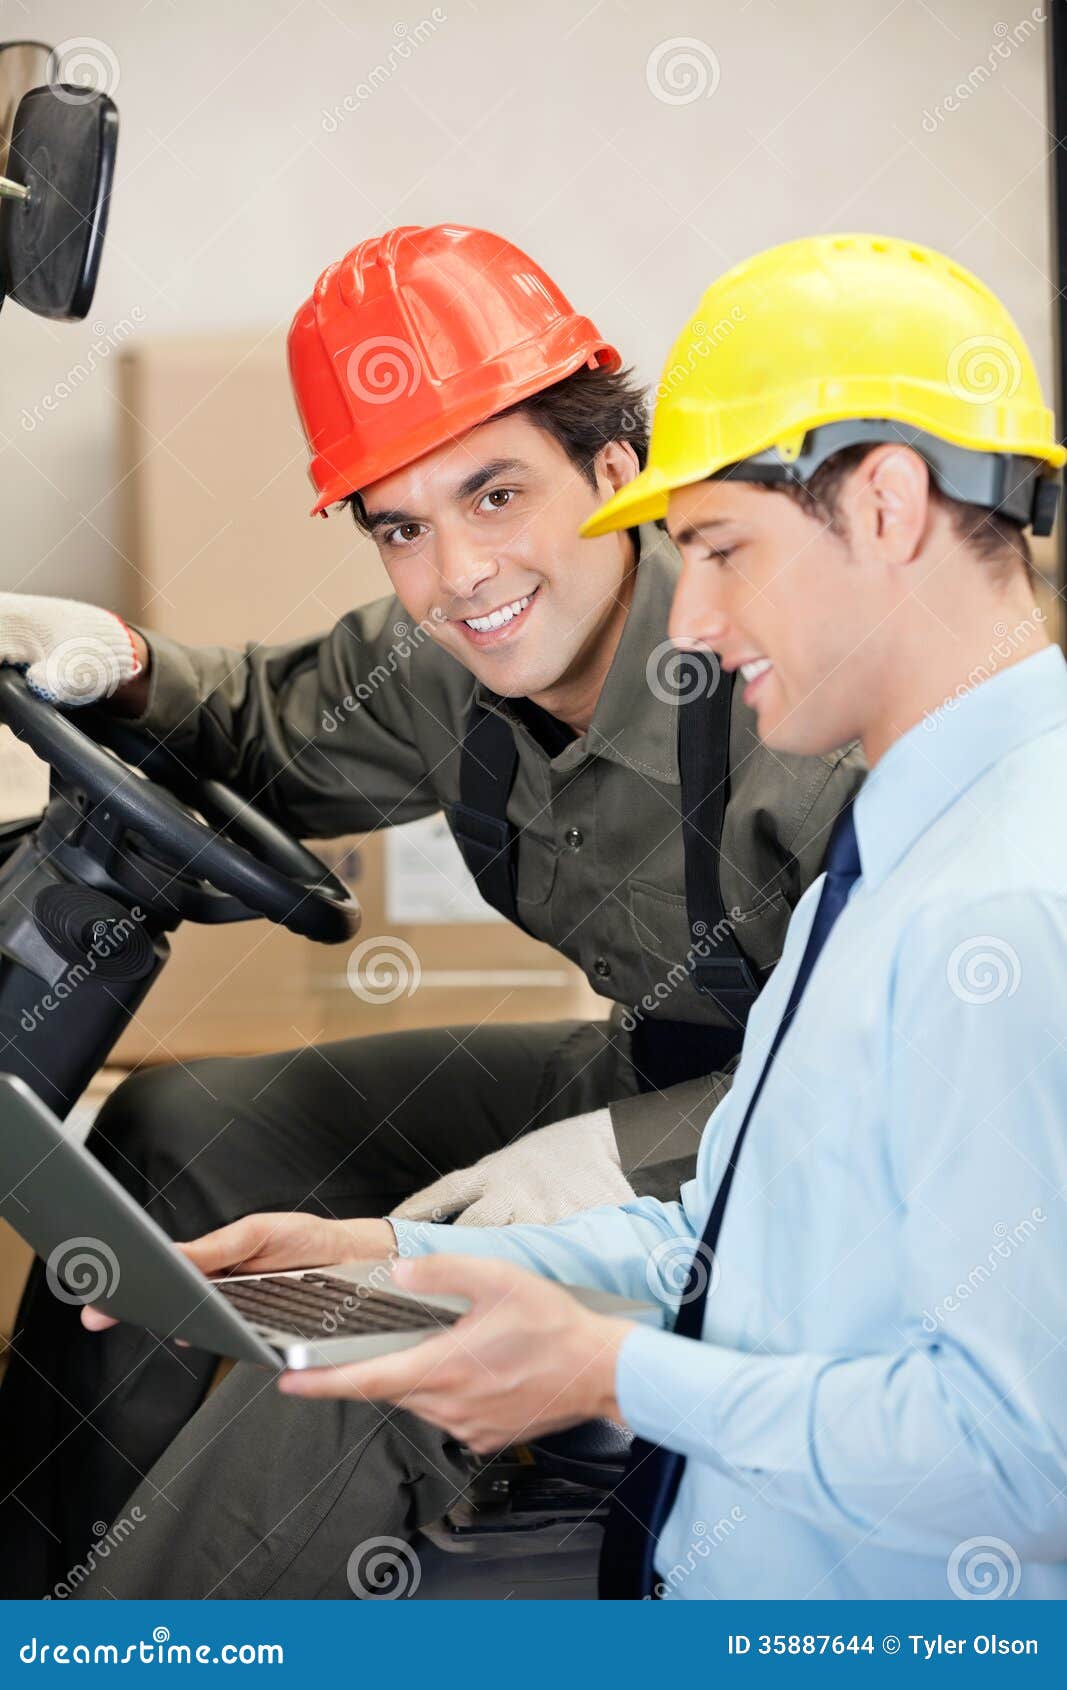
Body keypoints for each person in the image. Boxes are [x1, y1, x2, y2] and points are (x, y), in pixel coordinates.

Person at [74, 232, 1067, 1602]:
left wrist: (601, 1360)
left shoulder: (972, 886)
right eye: (401, 526)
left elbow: (1024, 1457)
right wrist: (402, 1254)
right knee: (207, 1150)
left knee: (364, 1378)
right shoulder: (912, 835)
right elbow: (745, 1211)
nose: (693, 614)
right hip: (705, 1455)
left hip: (824, 1614)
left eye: (719, 547)